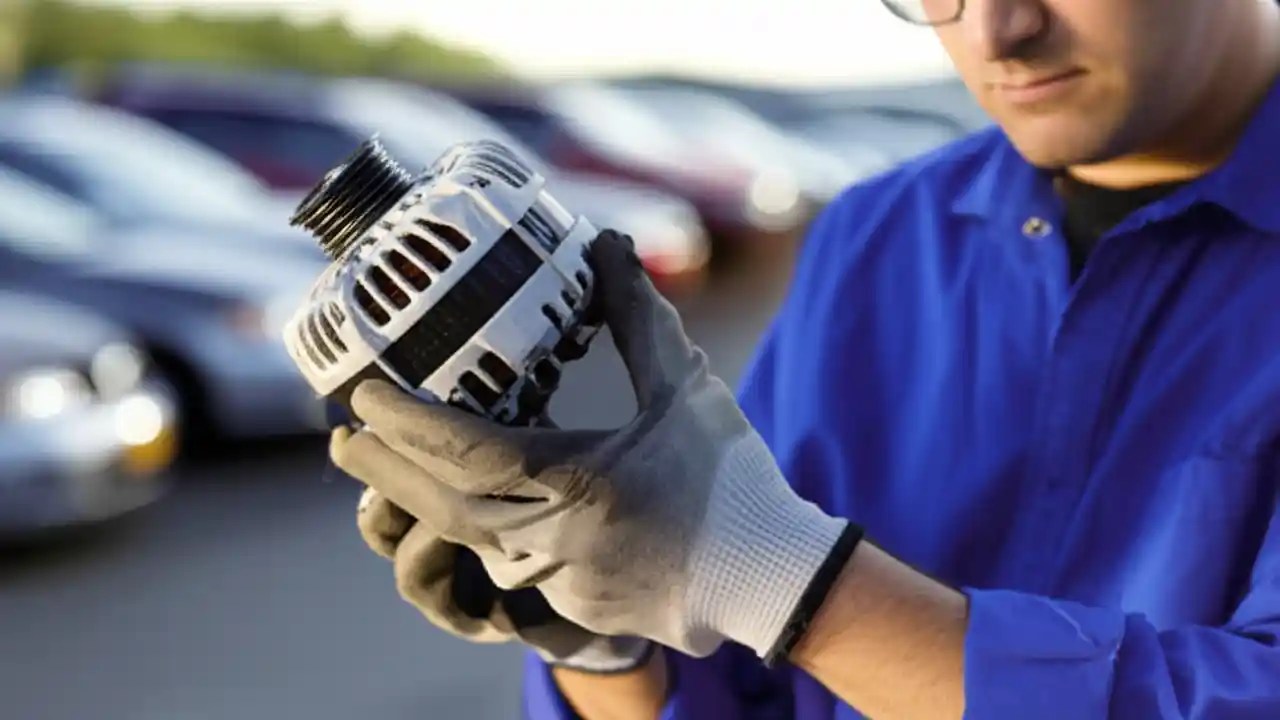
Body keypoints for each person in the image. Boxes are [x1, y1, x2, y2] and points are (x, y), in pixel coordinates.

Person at [329, 0, 1280, 717]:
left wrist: (792, 587)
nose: (997, 29)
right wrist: (601, 634)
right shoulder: (874, 237)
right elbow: (743, 682)